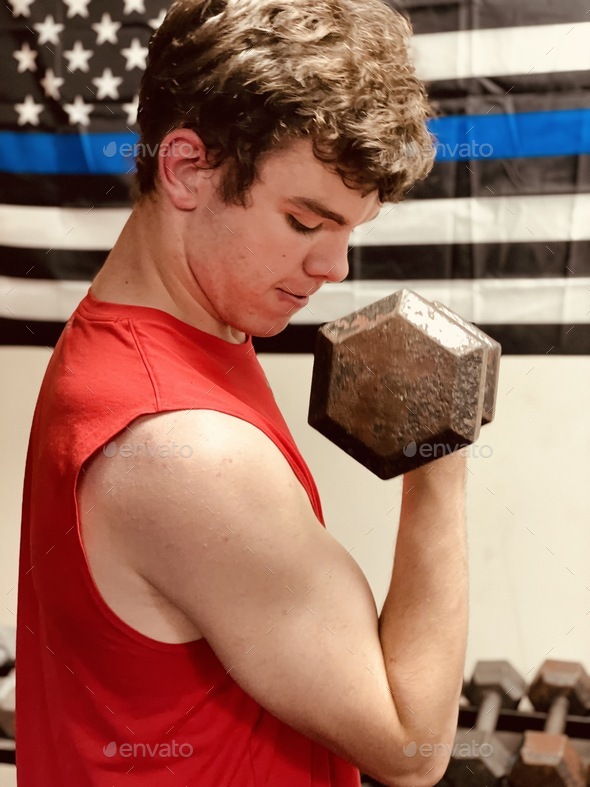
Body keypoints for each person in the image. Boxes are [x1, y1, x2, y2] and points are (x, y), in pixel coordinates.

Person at [16, 0, 468, 784]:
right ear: (188, 168)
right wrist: (442, 460)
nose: (335, 269)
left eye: (347, 231)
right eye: (303, 221)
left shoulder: (163, 329)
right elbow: (412, 745)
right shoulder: (183, 448)